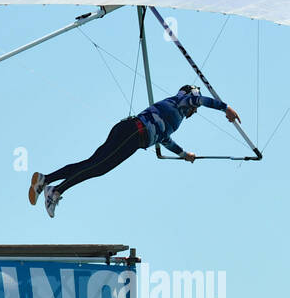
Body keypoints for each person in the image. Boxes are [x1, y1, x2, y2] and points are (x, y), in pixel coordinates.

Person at [28, 85, 240, 217]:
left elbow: (164, 139)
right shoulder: (180, 101)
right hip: (133, 133)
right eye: (195, 106)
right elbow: (200, 100)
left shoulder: (174, 116)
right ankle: (55, 191)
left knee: (92, 164)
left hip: (130, 131)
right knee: (98, 167)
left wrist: (184, 155)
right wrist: (226, 108)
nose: (195, 109)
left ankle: (45, 179)